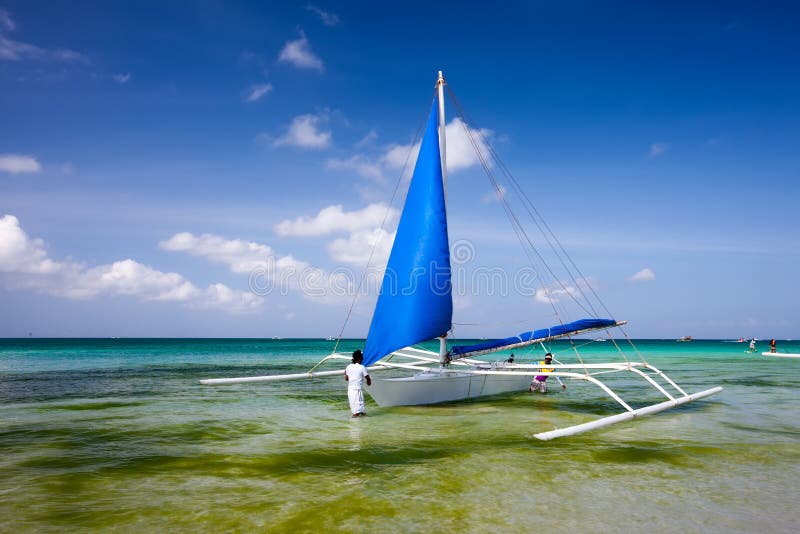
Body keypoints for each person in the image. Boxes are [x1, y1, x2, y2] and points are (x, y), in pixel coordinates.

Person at [345, 349, 371, 417]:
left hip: (350, 390)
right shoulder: (362, 367)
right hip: (357, 390)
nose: (362, 360)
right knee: (357, 411)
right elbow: (367, 377)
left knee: (357, 409)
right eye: (362, 358)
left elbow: (346, 378)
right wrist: (369, 382)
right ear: (360, 359)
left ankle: (357, 424)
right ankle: (356, 424)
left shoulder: (348, 366)